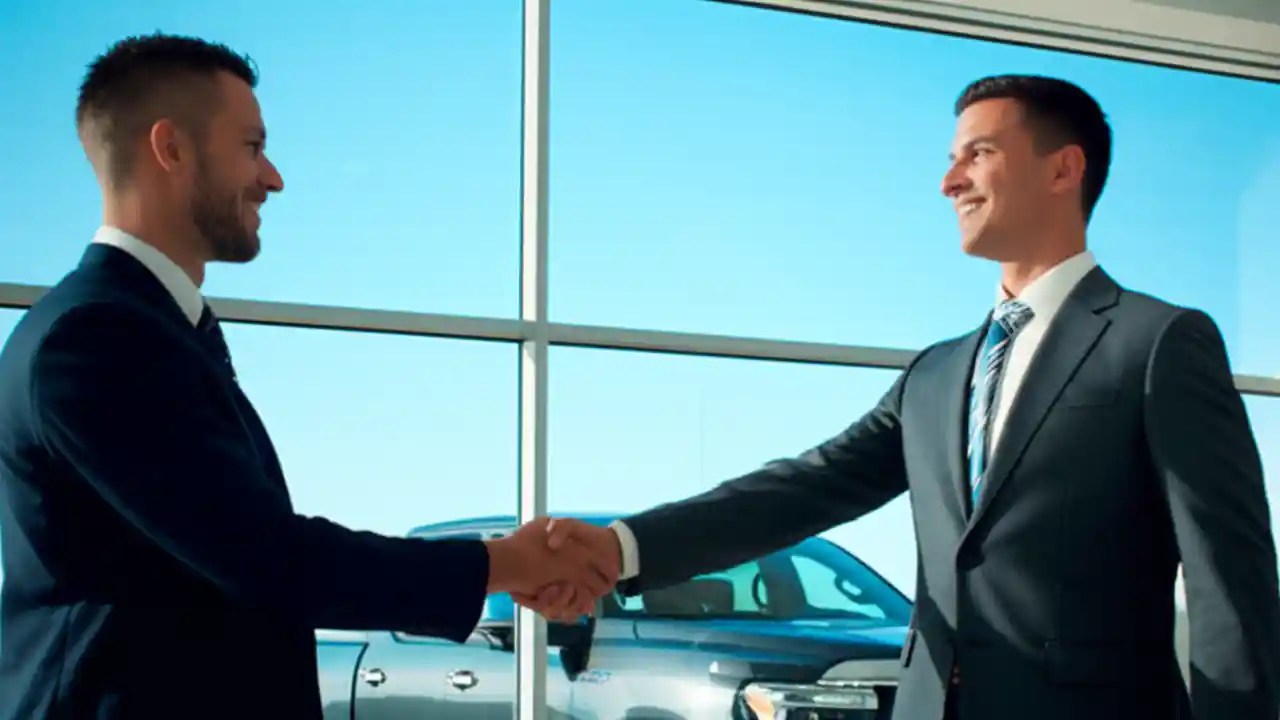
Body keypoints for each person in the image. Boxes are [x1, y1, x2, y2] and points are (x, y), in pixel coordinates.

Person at [530, 74, 1280, 720]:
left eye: (978, 153)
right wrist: (621, 548)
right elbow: (802, 490)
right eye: (952, 159)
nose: (950, 181)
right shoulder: (936, 373)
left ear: (1064, 169)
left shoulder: (1158, 343)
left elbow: (1229, 583)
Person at [0, 33, 611, 720]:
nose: (274, 177)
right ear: (170, 149)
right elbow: (267, 558)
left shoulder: (137, 330)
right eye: (252, 148)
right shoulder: (93, 340)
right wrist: (503, 563)